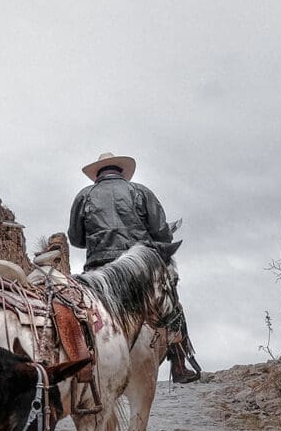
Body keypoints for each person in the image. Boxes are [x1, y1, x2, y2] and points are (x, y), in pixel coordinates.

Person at [68, 152, 200, 383]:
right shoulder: (140, 192)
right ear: (121, 171)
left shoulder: (83, 196)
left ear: (98, 174)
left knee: (77, 309)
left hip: (99, 270)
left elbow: (76, 239)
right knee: (172, 302)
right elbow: (160, 233)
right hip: (138, 266)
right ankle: (179, 361)